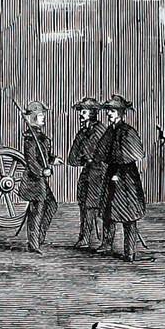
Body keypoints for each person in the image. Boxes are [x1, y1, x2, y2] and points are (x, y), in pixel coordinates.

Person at [94, 94, 154, 263]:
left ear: (120, 113)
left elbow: (133, 155)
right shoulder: (109, 131)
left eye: (112, 111)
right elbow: (101, 151)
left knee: (129, 216)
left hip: (126, 179)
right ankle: (107, 244)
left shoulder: (128, 131)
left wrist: (118, 173)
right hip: (112, 175)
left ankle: (130, 252)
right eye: (109, 112)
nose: (109, 115)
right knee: (108, 212)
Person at [19, 100, 64, 254]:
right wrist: (42, 172)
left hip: (40, 182)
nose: (44, 117)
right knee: (36, 211)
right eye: (40, 115)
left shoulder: (40, 136)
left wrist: (53, 160)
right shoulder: (30, 138)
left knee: (51, 206)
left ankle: (39, 237)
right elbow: (31, 161)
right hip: (33, 180)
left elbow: (44, 157)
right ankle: (33, 243)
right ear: (32, 118)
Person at [66, 96, 106, 249]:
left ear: (92, 113)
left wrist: (87, 157)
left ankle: (96, 239)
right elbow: (73, 158)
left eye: (84, 111)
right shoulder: (83, 132)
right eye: (81, 111)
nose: (80, 114)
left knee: (93, 206)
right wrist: (85, 158)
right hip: (88, 172)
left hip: (100, 173)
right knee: (83, 203)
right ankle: (85, 238)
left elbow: (99, 155)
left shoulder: (100, 130)